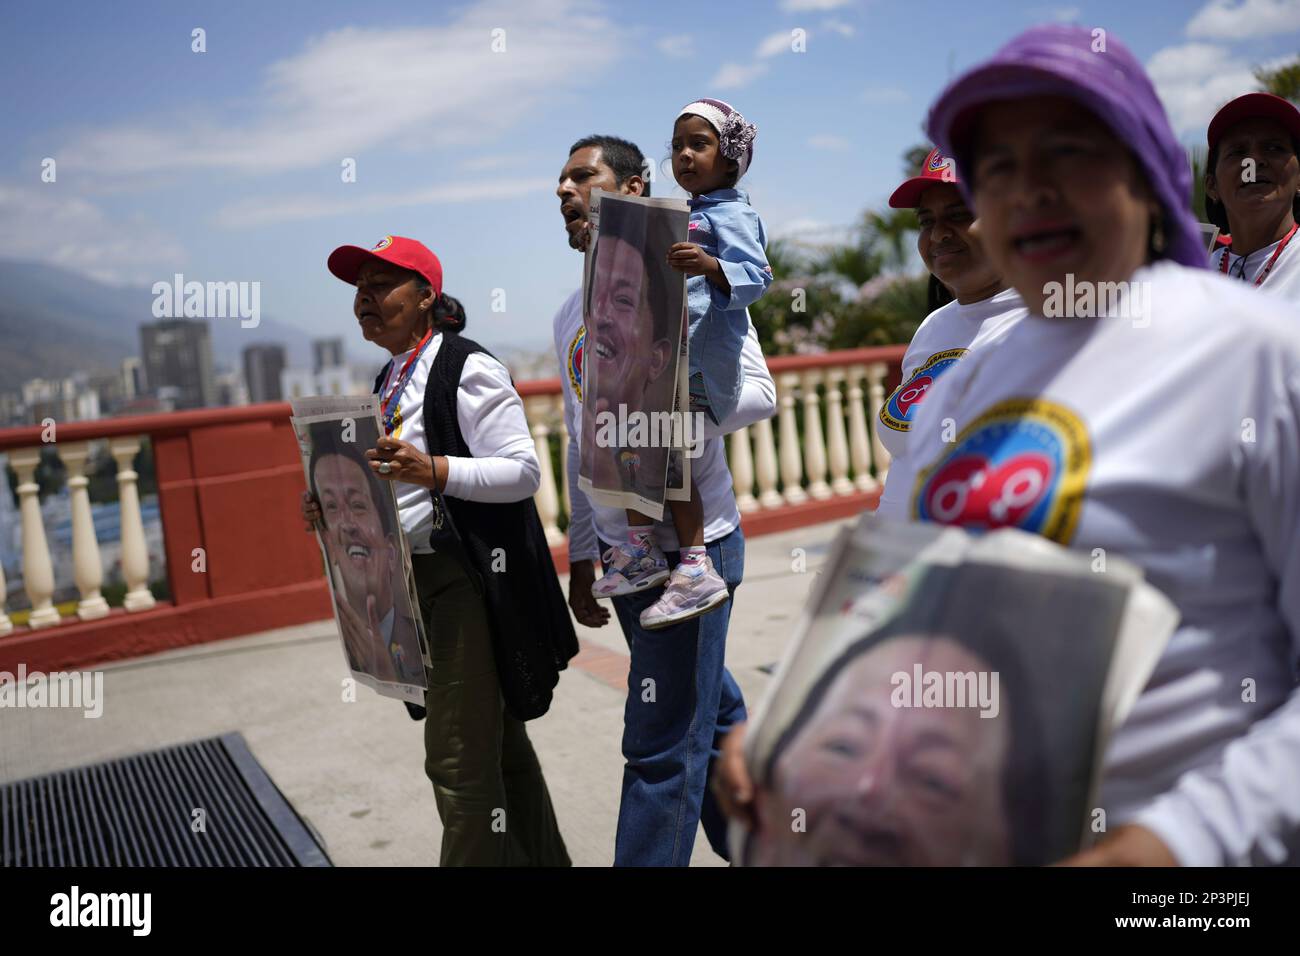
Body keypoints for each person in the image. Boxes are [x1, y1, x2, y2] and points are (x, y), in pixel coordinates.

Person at [719, 25, 1300, 867]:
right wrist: (788, 734)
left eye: (1065, 153)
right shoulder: (961, 380)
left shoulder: (1260, 359)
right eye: (997, 168)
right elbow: (898, 601)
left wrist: (1168, 846)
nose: (1027, 191)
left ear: (1151, 173)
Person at [301, 235, 576, 866]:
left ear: (427, 296)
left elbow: (524, 473)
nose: (364, 297)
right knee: (501, 749)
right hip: (416, 579)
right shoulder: (390, 375)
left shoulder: (464, 366)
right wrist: (329, 503)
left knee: (456, 764)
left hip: (464, 583)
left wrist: (437, 471)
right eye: (359, 287)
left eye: (381, 283)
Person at [554, 134, 776, 865]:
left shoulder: (687, 293)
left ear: (633, 187)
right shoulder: (568, 317)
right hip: (627, 556)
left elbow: (759, 396)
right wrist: (583, 554)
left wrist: (664, 402)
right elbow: (576, 434)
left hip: (695, 547)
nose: (565, 192)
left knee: (657, 747)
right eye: (558, 184)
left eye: (582, 178)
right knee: (707, 718)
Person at [590, 99, 773, 631]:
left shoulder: (734, 215)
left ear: (731, 157)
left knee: (671, 449)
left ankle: (695, 566)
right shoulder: (683, 214)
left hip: (701, 361)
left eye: (700, 144)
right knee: (635, 437)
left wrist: (713, 265)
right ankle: (642, 548)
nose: (685, 155)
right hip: (666, 358)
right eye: (676, 146)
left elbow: (757, 277)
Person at [875, 147, 1027, 518]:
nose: (939, 234)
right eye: (926, 221)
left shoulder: (1045, 324)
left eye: (959, 215)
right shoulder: (934, 326)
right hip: (895, 560)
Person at [307, 422, 423, 685]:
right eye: (331, 507)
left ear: (392, 550)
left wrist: (390, 674)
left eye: (358, 505)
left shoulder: (421, 634)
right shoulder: (354, 645)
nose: (347, 524)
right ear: (327, 541)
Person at [1203, 92, 1300, 297]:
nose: (1254, 161)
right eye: (1237, 152)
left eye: (1274, 148)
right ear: (1212, 186)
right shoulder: (1195, 277)